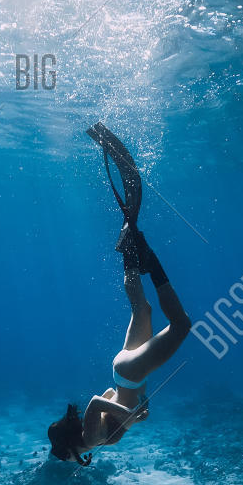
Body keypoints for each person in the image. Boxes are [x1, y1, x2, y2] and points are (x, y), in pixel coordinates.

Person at [47, 124, 192, 465]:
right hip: (123, 372)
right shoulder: (92, 437)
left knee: (182, 325)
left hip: (131, 373)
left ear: (70, 450)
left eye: (64, 458)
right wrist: (128, 409)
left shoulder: (92, 438)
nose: (67, 462)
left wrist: (130, 414)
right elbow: (110, 397)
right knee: (141, 310)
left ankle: (148, 258)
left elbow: (100, 401)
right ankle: (130, 249)